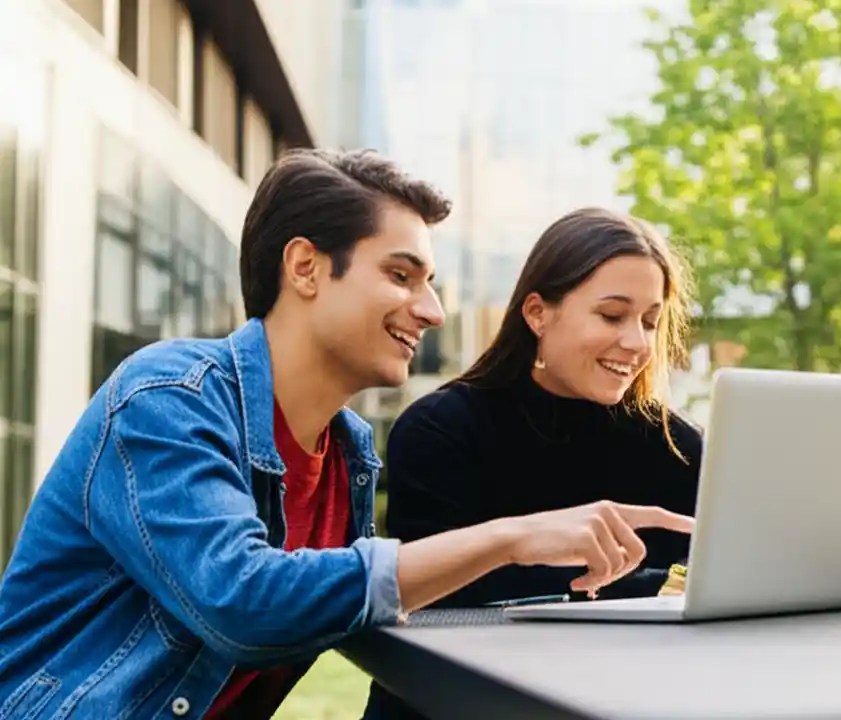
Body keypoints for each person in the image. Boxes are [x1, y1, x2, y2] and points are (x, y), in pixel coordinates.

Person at [0, 150, 691, 719]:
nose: (433, 311)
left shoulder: (348, 454)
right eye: (401, 275)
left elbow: (346, 618)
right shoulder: (170, 397)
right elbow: (243, 603)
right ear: (304, 268)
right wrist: (512, 536)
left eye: (430, 282)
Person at [362, 207, 702, 719]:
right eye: (612, 315)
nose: (637, 342)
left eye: (650, 321)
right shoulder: (440, 429)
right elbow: (435, 603)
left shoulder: (677, 446)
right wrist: (647, 585)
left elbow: (700, 589)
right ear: (538, 312)